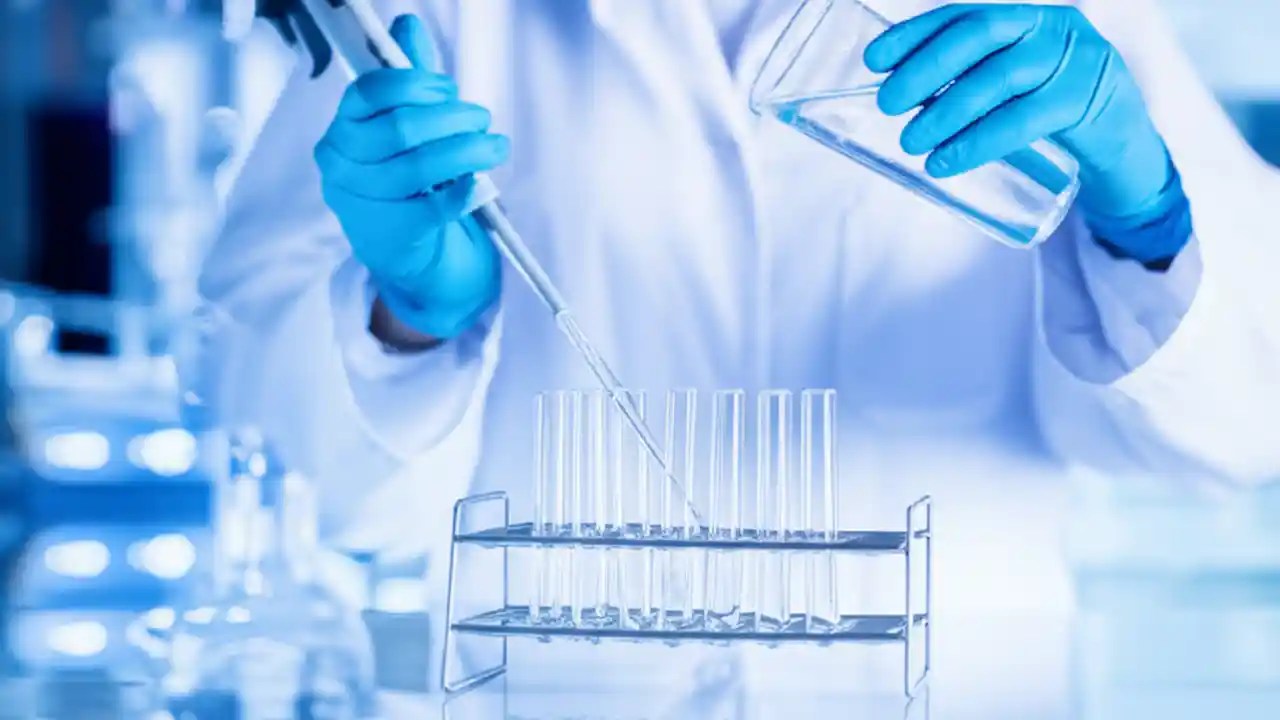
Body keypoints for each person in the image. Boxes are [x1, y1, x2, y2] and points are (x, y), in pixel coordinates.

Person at [203, 0, 1279, 627]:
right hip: (561, 686)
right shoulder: (429, 15)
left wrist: (1145, 217)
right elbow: (287, 478)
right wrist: (406, 316)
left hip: (958, 678)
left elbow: (1236, 434)